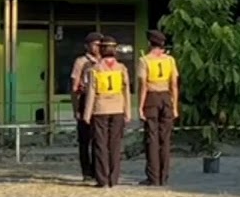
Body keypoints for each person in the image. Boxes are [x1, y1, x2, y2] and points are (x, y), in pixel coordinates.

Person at [82, 35, 131, 188]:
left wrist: (87, 114)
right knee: (115, 145)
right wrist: (128, 111)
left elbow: (91, 92)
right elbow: (126, 91)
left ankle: (102, 179)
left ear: (101, 50)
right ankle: (113, 178)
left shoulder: (94, 69)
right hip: (117, 109)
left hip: (100, 109)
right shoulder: (122, 68)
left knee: (100, 145)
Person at [137, 30, 178, 187]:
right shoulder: (170, 60)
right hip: (166, 98)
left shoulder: (144, 60)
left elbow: (143, 86)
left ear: (149, 43)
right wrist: (174, 106)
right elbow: (174, 84)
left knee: (152, 139)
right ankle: (164, 176)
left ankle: (153, 177)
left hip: (151, 98)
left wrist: (140, 107)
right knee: (165, 139)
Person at [69, 32, 103, 182]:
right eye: (94, 44)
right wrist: (75, 108)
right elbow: (74, 86)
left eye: (99, 44)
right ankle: (86, 171)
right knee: (85, 140)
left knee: (99, 139)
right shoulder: (81, 62)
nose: (97, 47)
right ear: (87, 46)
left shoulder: (104, 61)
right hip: (84, 99)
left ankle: (98, 170)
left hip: (100, 101)